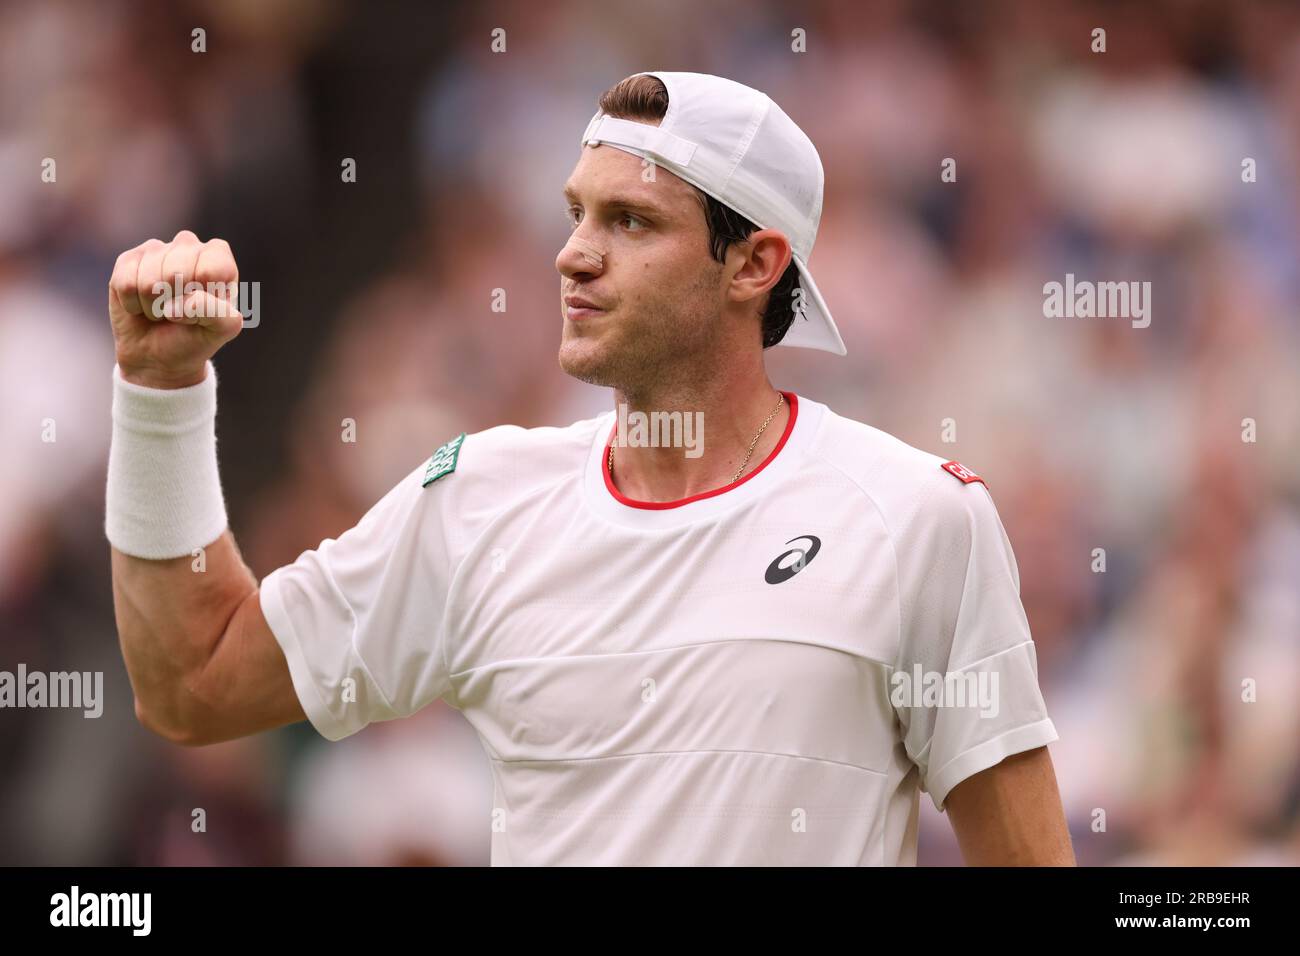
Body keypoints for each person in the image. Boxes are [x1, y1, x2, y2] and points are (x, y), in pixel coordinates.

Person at [105, 71, 1073, 865]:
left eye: (631, 222)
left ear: (753, 264)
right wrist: (160, 392)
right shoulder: (478, 495)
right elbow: (195, 681)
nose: (573, 254)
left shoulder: (916, 516)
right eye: (576, 214)